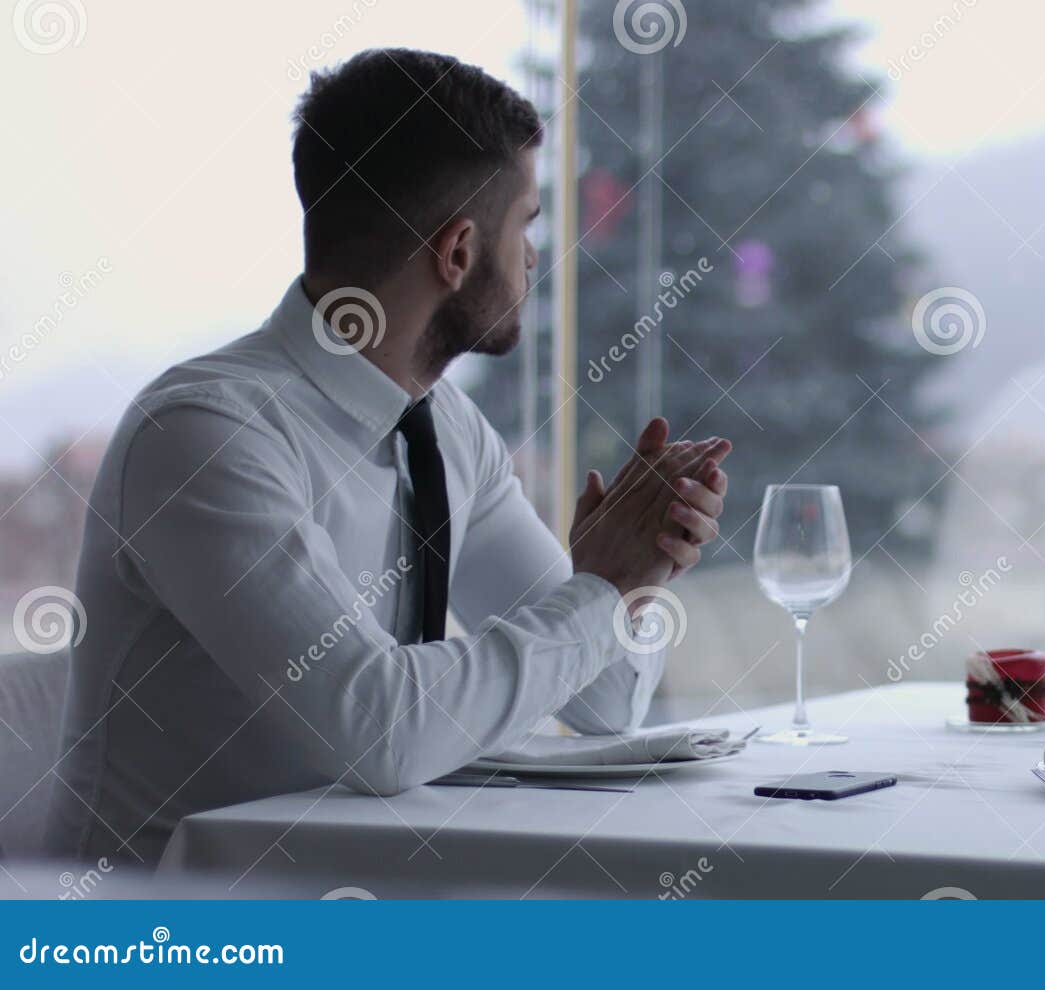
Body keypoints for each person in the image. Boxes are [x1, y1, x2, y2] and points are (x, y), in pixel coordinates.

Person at [45, 48, 728, 865]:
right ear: (459, 252)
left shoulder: (447, 429)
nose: (538, 258)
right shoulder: (203, 438)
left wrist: (633, 575)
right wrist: (597, 591)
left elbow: (608, 702)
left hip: (354, 897)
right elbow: (382, 732)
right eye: (529, 225)